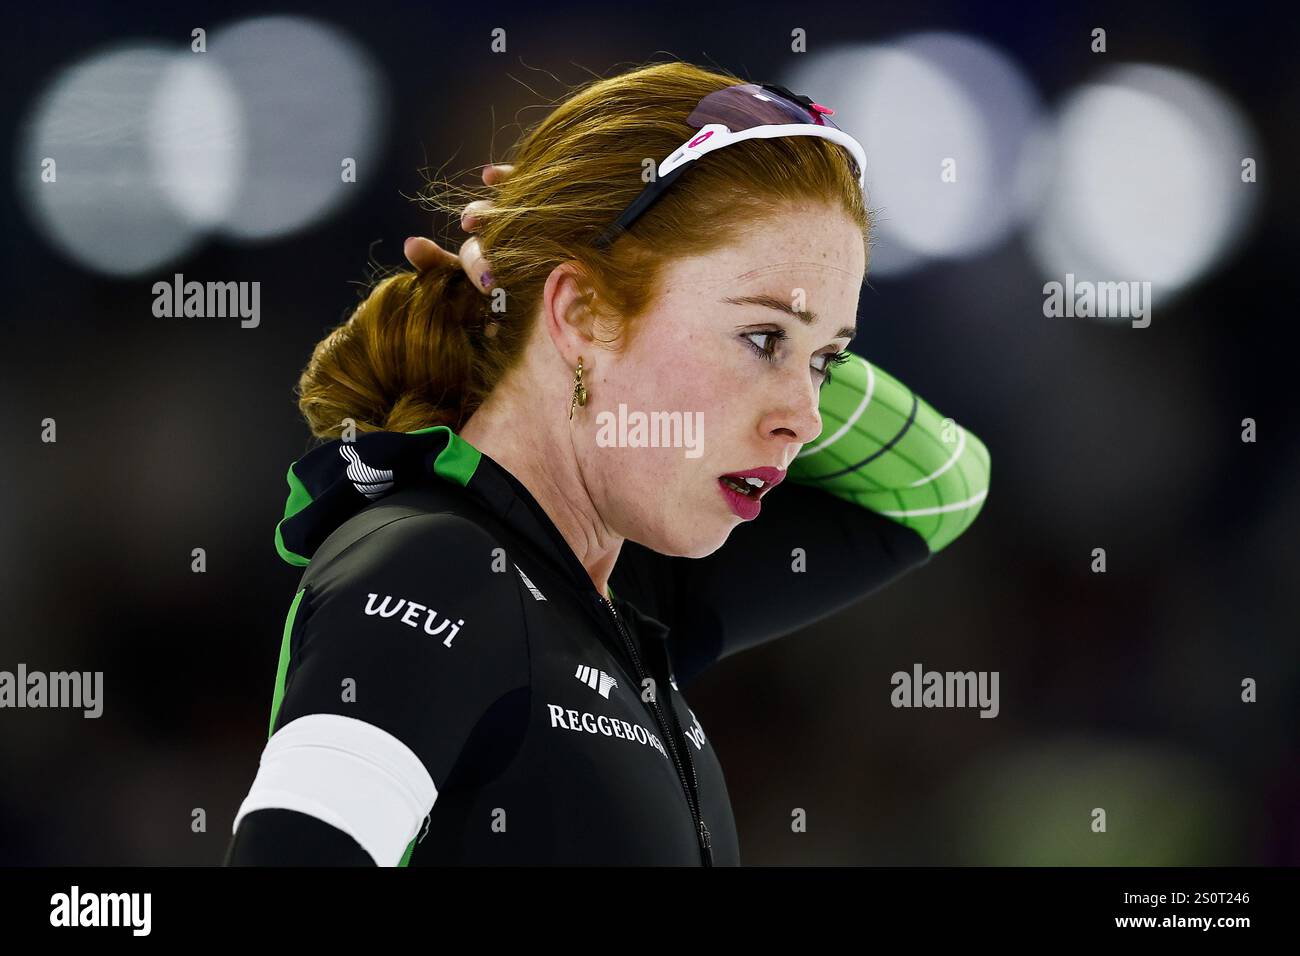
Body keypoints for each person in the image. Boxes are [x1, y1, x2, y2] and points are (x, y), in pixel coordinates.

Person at [224, 60, 991, 867]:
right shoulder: (433, 567)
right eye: (761, 338)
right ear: (580, 310)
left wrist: (561, 261)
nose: (805, 418)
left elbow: (942, 483)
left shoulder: (619, 600)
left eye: (827, 361)